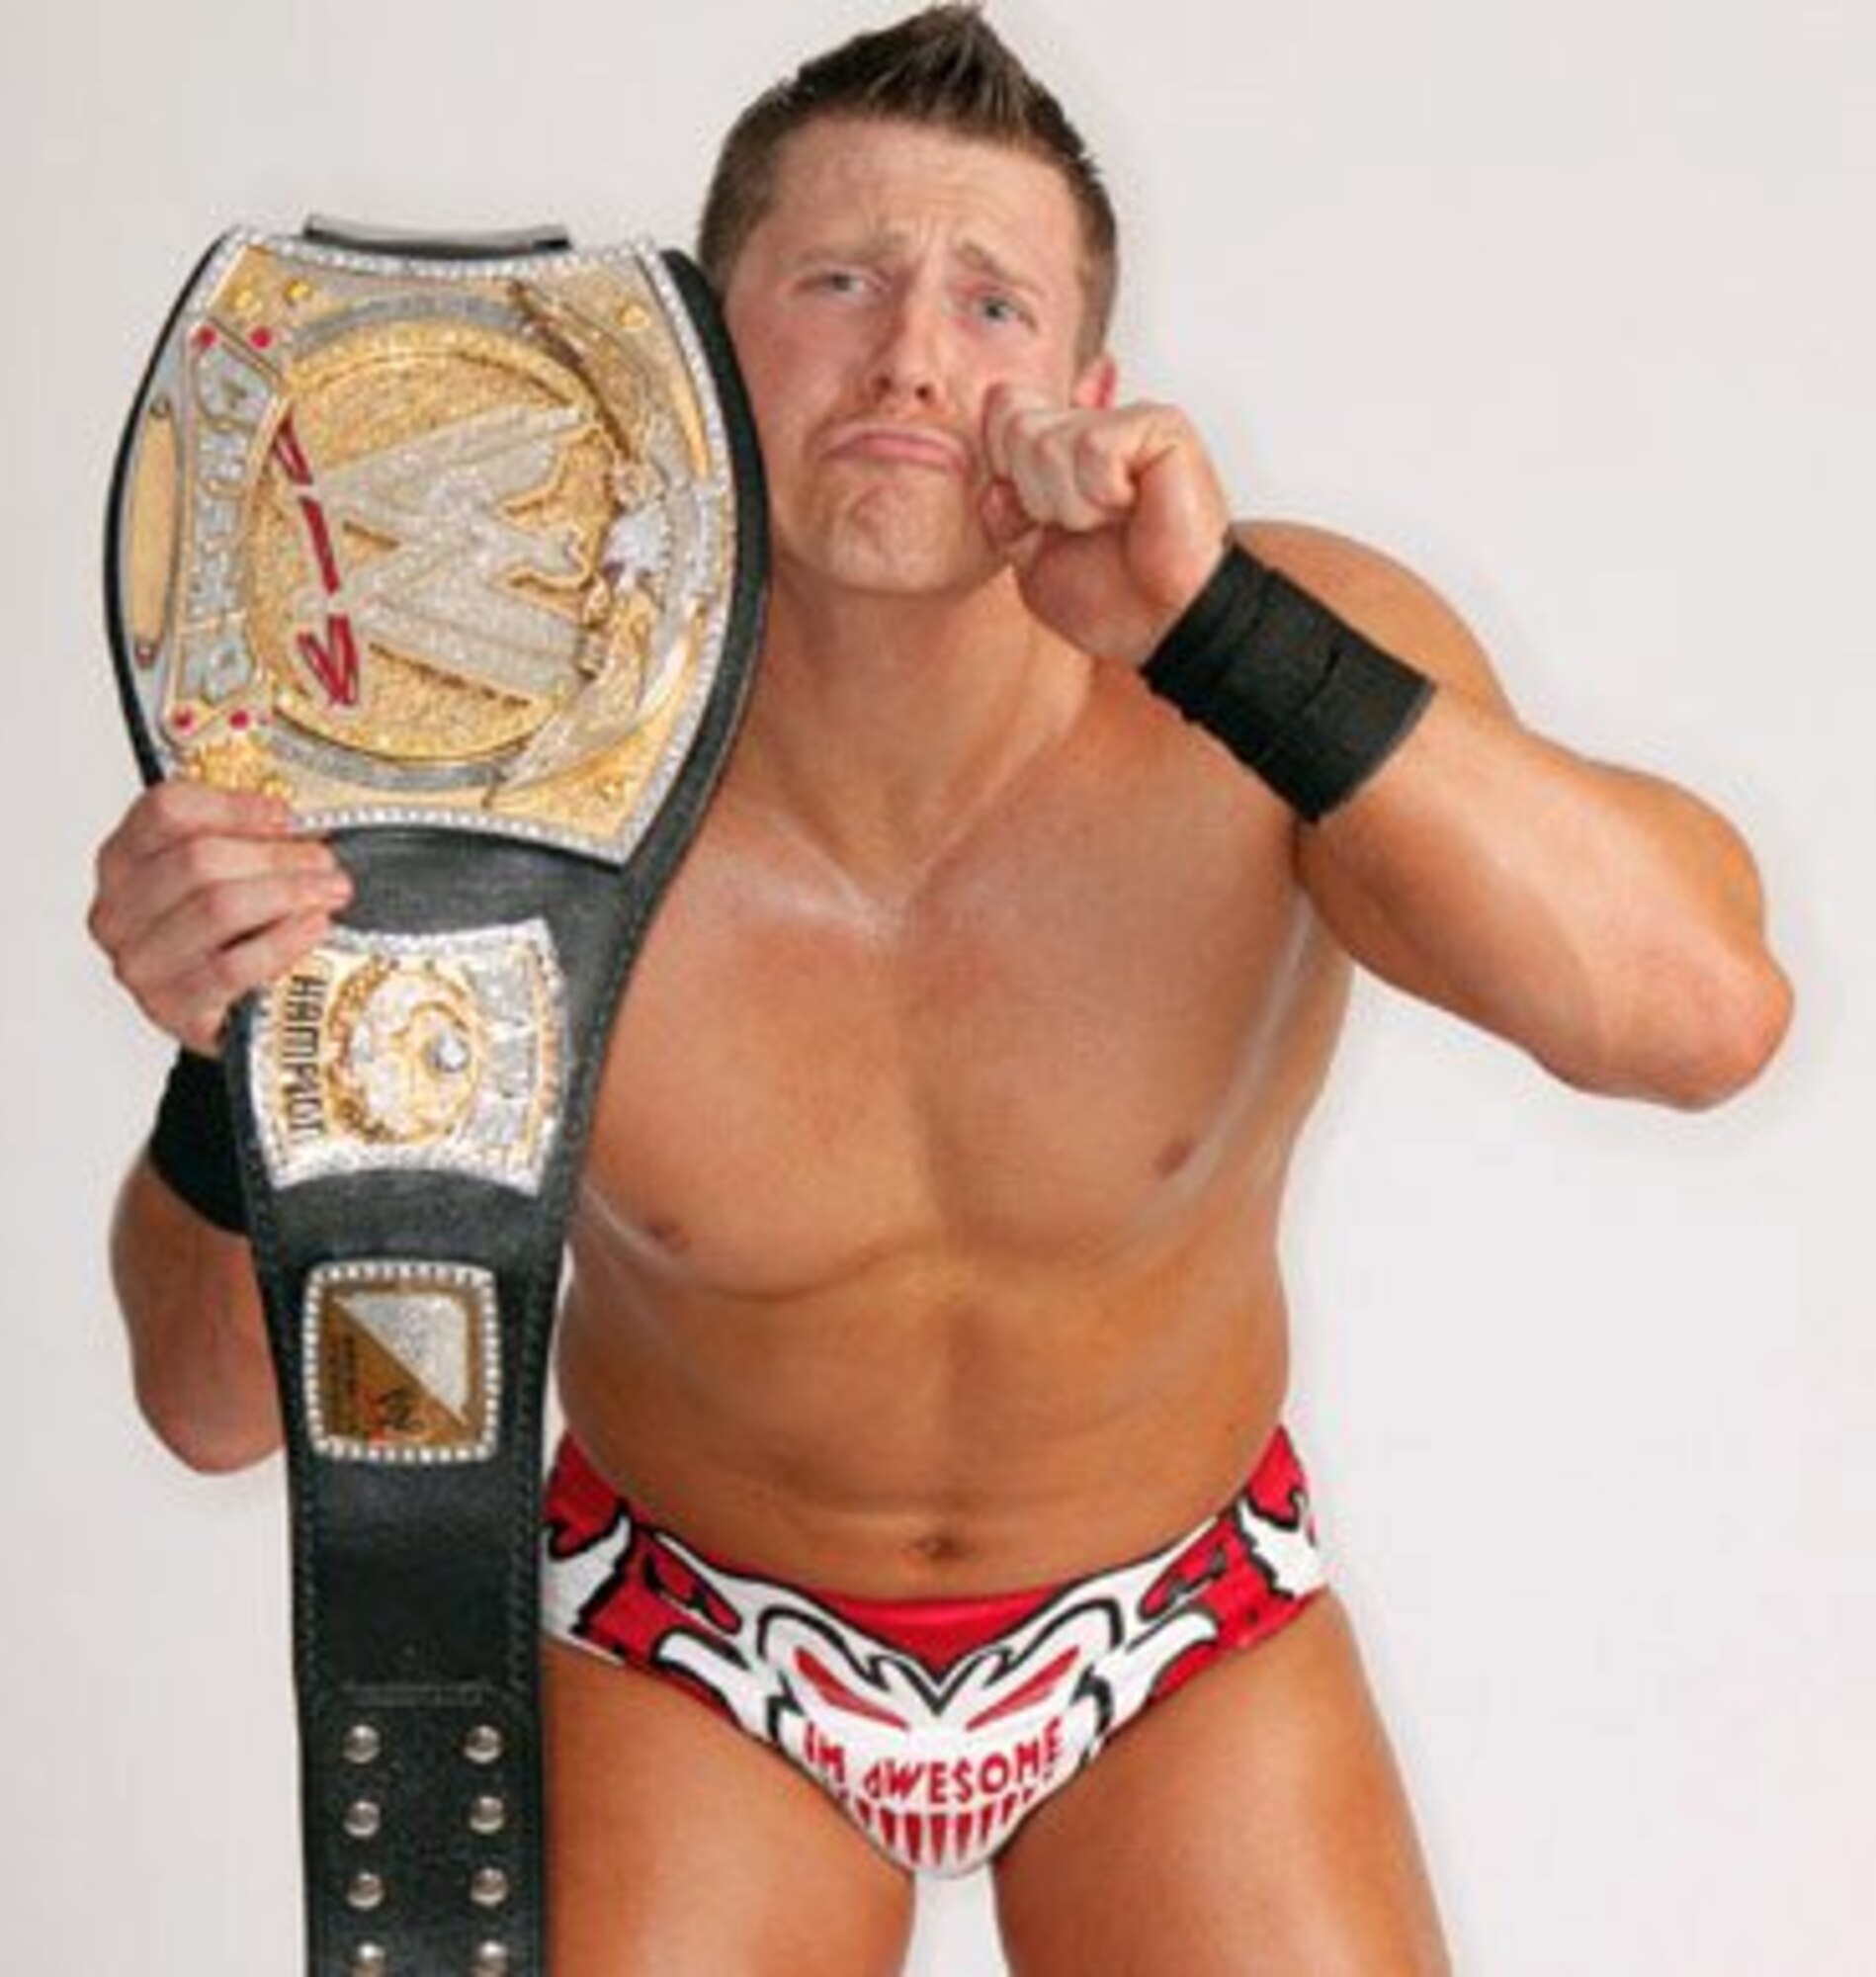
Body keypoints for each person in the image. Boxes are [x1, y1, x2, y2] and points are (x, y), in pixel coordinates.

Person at [88, 8, 1792, 1972]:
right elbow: (209, 1405)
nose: (910, 351)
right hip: (693, 1637)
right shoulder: (498, 759)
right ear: (698, 351)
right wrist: (237, 1039)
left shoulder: (1270, 670)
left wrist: (1217, 635)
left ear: (1087, 390)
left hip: (1181, 1628)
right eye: (837, 281)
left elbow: (1699, 1015)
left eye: (992, 304)